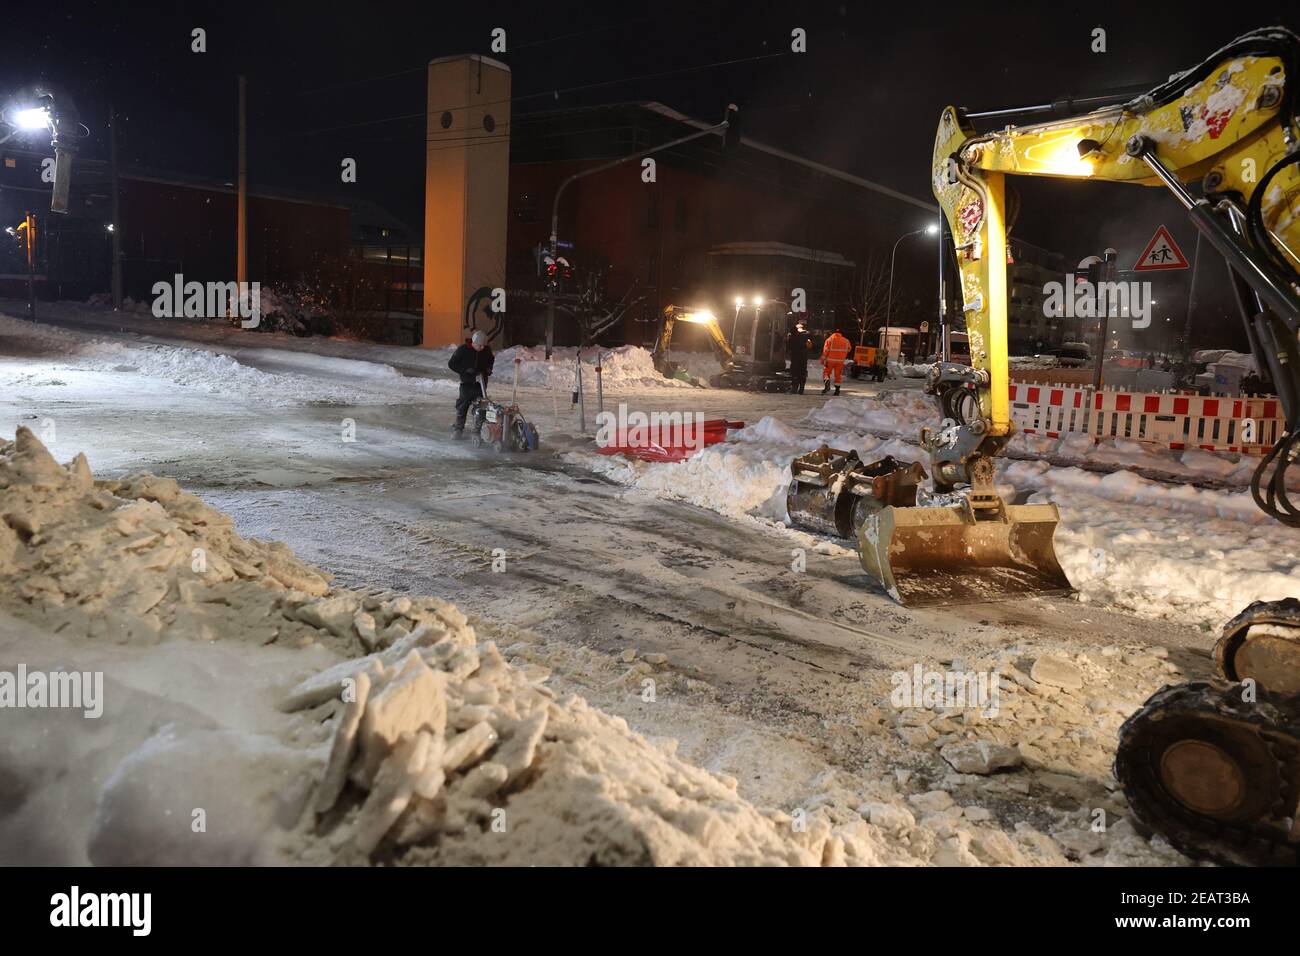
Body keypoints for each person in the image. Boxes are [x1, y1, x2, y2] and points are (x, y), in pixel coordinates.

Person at [448, 329, 495, 438]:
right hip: (466, 383)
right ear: (473, 342)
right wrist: (465, 370)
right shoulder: (463, 350)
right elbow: (451, 364)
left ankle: (477, 431)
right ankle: (458, 429)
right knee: (462, 406)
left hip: (481, 384)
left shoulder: (486, 350)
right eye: (479, 345)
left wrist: (488, 369)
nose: (482, 348)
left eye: (484, 345)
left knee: (480, 408)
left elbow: (491, 360)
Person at [821, 327, 852, 395]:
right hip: (840, 361)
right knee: (838, 375)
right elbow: (849, 349)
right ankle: (837, 391)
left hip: (830, 361)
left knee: (826, 372)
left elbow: (826, 351)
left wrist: (823, 359)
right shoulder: (846, 341)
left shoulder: (829, 340)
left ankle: (827, 382)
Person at [786, 320, 811, 394]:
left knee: (795, 372)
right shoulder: (805, 336)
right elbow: (809, 345)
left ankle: (794, 388)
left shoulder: (792, 337)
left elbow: (789, 347)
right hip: (803, 357)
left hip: (795, 357)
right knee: (802, 372)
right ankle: (801, 388)